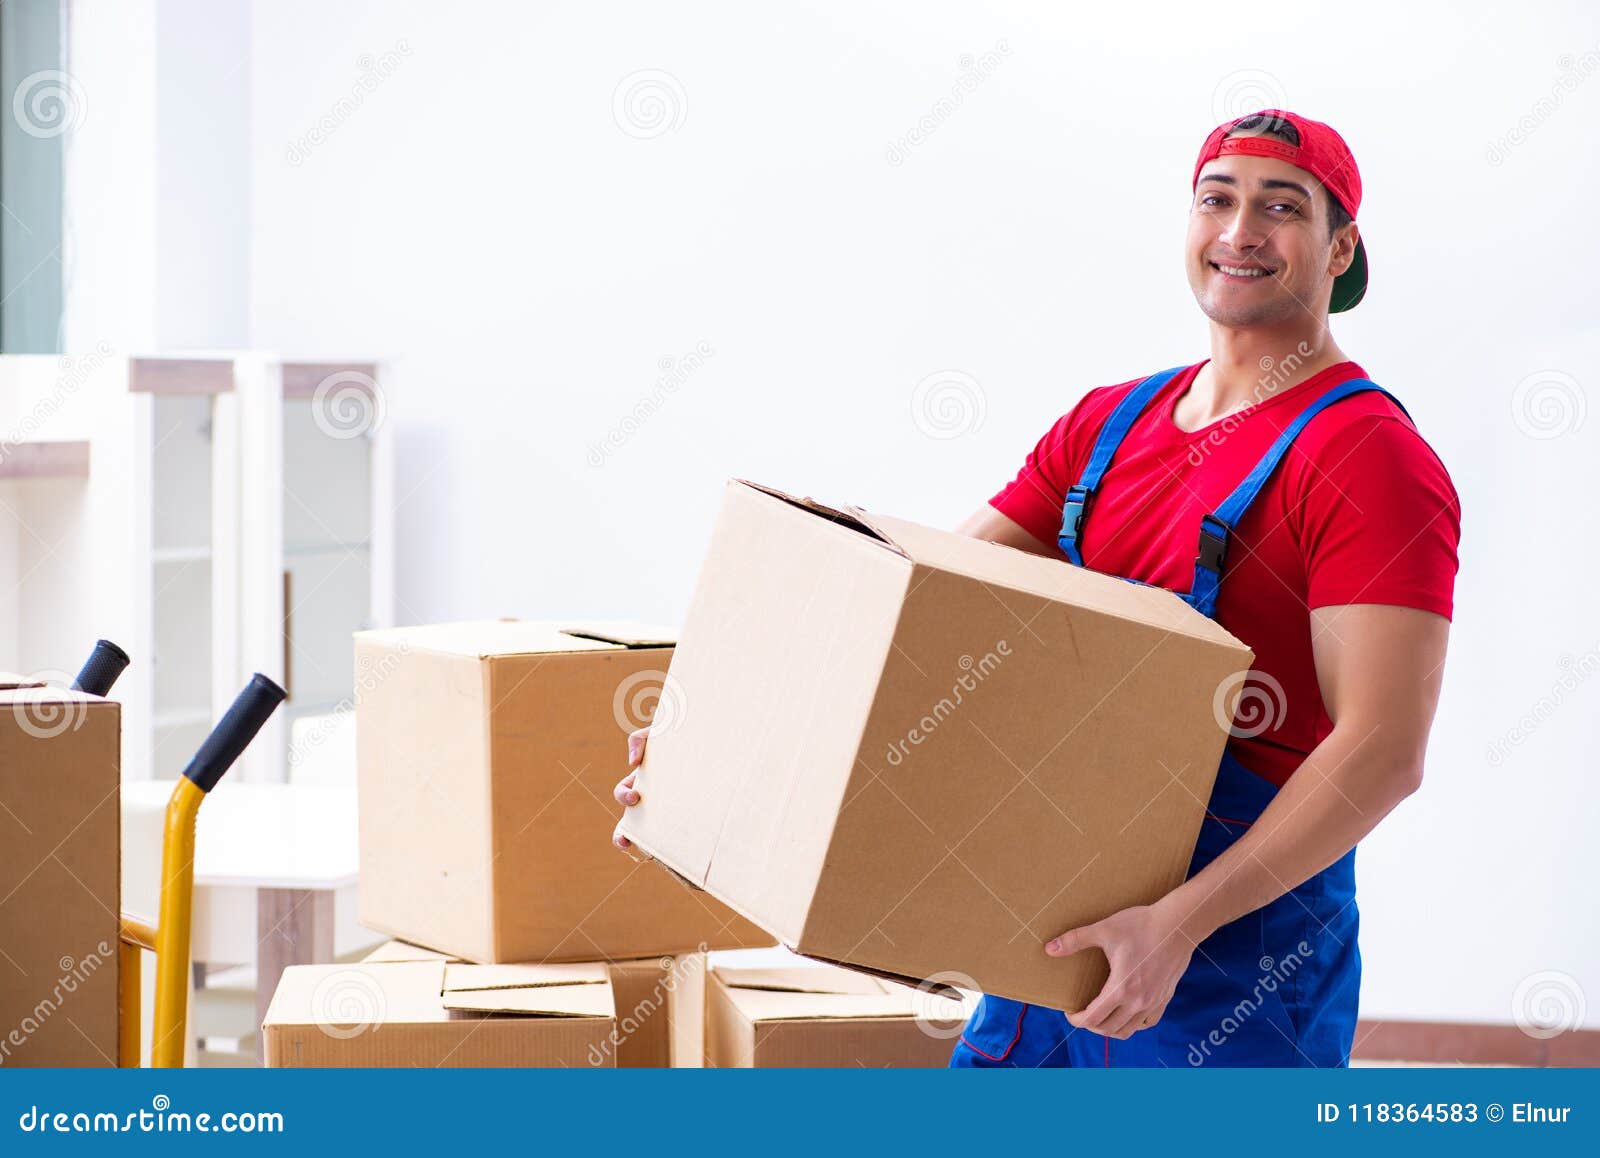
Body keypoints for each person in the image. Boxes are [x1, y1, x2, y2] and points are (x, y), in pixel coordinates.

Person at [614, 109, 1460, 1067]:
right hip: (1042, 943)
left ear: (1341, 245)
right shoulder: (1108, 427)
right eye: (1216, 199)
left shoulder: (1366, 458)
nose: (1239, 232)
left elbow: (1384, 749)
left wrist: (1177, 927)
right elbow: (908, 620)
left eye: (1282, 207)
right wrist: (723, 756)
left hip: (1233, 968)